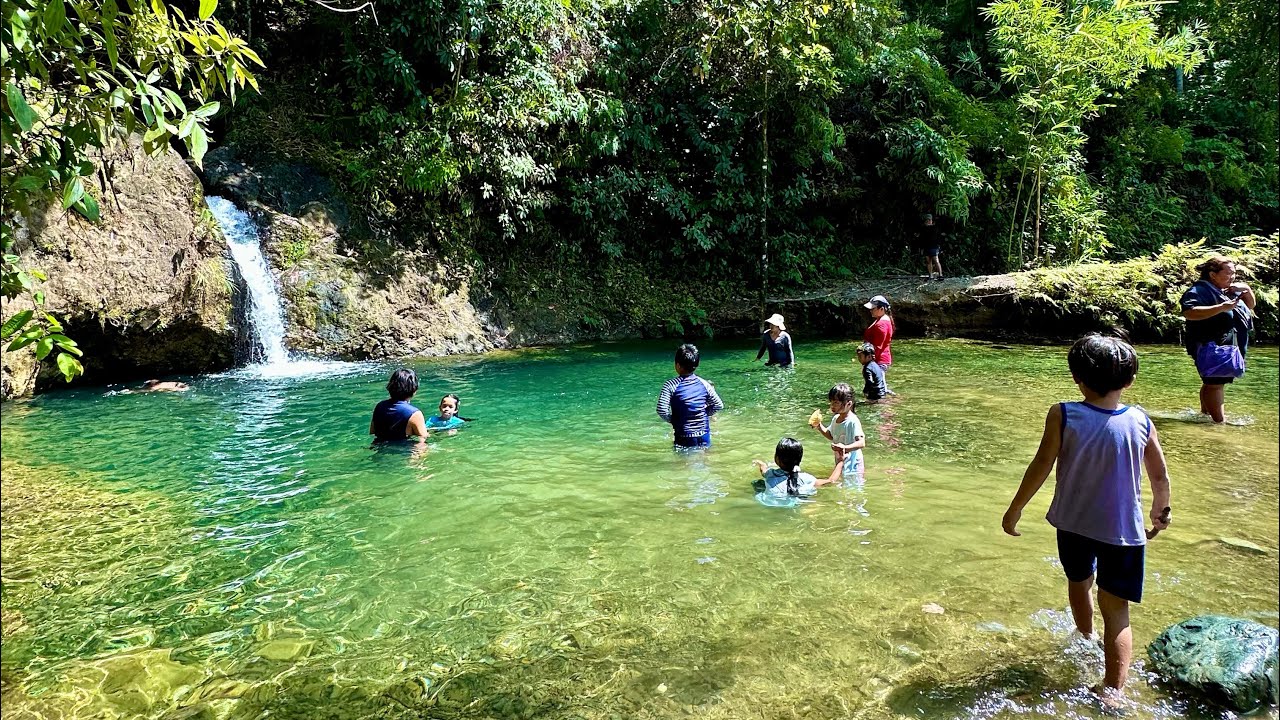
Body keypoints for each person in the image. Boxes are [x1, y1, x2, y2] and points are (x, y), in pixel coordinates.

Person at [1001, 334, 1172, 703]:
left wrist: (1016, 508)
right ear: (1129, 381)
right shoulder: (1141, 420)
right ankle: (1113, 691)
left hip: (1073, 524)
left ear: (1077, 378)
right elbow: (1159, 475)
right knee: (1118, 610)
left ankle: (1085, 636)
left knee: (1079, 582)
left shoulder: (1063, 413)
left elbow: (1042, 464)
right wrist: (1161, 512)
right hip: (1123, 532)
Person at [1180, 256, 1256, 423]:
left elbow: (1249, 306)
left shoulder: (1228, 290)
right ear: (1213, 274)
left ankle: (1205, 417)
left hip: (1227, 346)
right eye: (1229, 273)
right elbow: (1189, 312)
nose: (1233, 277)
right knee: (1215, 383)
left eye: (1235, 273)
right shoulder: (1199, 290)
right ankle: (1219, 423)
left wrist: (1247, 290)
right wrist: (1221, 308)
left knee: (1211, 382)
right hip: (1211, 344)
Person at [656, 343, 724, 449]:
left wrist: (675, 420)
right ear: (696, 365)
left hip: (684, 436)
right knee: (705, 461)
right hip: (704, 435)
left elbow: (661, 410)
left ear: (678, 365)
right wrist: (704, 414)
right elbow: (719, 405)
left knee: (683, 464)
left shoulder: (670, 385)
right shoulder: (705, 383)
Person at [809, 382, 865, 486]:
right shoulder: (836, 418)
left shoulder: (853, 421)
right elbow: (831, 435)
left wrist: (845, 447)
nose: (832, 406)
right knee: (841, 485)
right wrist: (819, 426)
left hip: (854, 463)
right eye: (831, 402)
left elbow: (862, 443)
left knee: (854, 487)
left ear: (849, 404)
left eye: (836, 403)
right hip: (841, 460)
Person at [370, 368, 428, 443]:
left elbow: (372, 432)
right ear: (414, 389)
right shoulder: (415, 414)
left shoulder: (379, 407)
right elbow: (423, 440)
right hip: (404, 452)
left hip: (379, 449)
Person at [752, 437, 818, 502]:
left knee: (757, 482)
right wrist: (828, 480)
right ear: (799, 460)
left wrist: (761, 464)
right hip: (793, 503)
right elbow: (820, 483)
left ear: (777, 459)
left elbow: (763, 471)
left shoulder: (771, 473)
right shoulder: (805, 477)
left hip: (769, 502)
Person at [862, 295, 894, 371]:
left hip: (879, 361)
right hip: (879, 361)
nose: (870, 310)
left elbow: (878, 346)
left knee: (877, 383)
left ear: (881, 309)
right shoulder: (882, 320)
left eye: (873, 308)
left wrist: (869, 361)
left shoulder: (881, 324)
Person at [920, 213, 944, 280]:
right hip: (926, 246)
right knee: (928, 261)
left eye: (930, 219)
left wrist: (939, 246)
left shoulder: (935, 227)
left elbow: (937, 237)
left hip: (934, 246)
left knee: (936, 260)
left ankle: (940, 275)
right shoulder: (923, 228)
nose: (929, 221)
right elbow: (921, 238)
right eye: (927, 220)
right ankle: (931, 275)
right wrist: (921, 248)